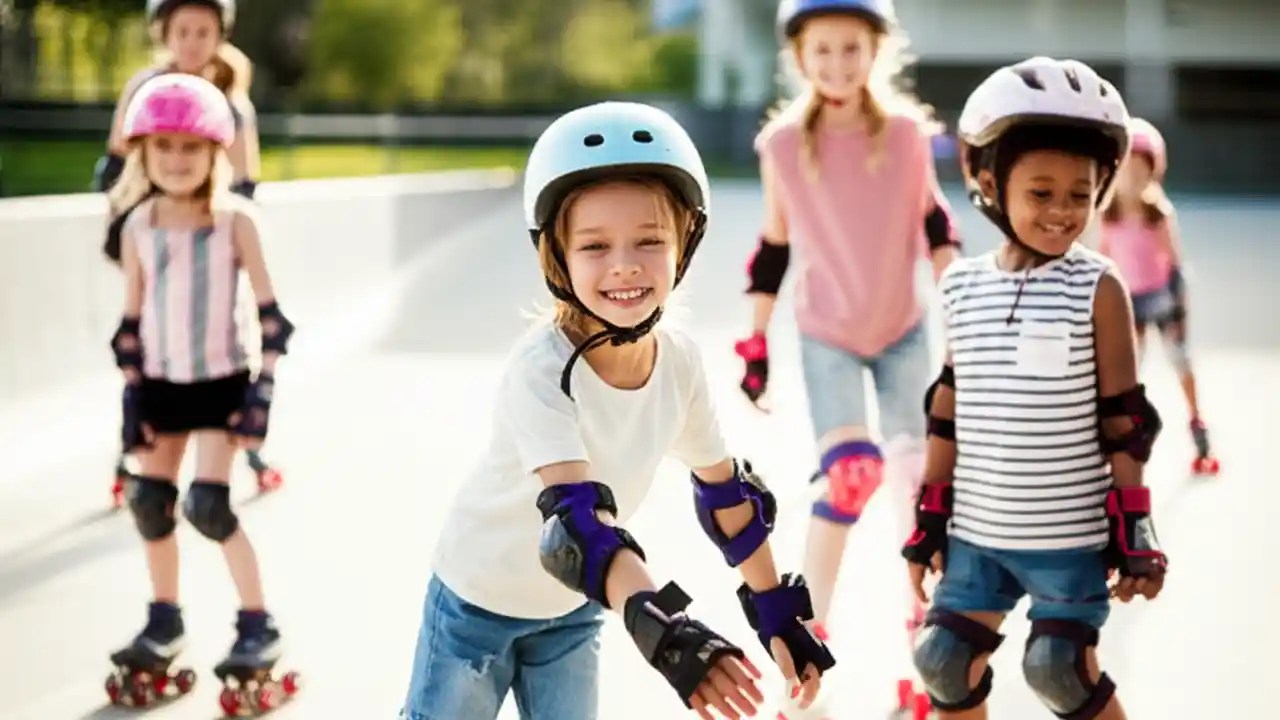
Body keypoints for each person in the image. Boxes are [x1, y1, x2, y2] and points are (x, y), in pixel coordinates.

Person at [399, 101, 835, 720]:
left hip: (573, 611)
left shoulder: (679, 363)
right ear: (558, 256)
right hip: (477, 599)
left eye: (649, 241)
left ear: (685, 244)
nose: (624, 264)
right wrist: (667, 630)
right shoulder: (542, 371)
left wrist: (774, 612)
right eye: (595, 246)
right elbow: (576, 528)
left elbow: (727, 499)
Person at [902, 56, 1169, 720]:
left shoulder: (1099, 286)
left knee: (1059, 671)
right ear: (989, 183)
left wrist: (1135, 524)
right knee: (942, 660)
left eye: (1080, 195)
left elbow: (1124, 418)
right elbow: (947, 410)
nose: (1062, 212)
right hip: (976, 536)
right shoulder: (961, 286)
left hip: (1067, 538)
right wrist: (929, 514)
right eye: (1041, 193)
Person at [738, 1, 961, 716]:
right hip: (827, 329)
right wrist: (755, 341)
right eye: (823, 50)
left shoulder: (904, 134)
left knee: (910, 488)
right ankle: (808, 651)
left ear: (877, 51)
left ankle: (923, 659)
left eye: (852, 49)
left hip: (903, 328)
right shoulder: (781, 145)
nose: (837, 64)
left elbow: (936, 222)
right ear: (800, 57)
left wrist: (962, 310)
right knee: (850, 477)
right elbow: (773, 246)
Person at [103, 72, 298, 713]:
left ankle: (256, 624)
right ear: (144, 153)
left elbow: (272, 320)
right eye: (164, 148)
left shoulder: (236, 220)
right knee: (150, 501)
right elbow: (130, 325)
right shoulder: (137, 225)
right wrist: (133, 401)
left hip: (221, 385)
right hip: (160, 385)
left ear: (216, 152)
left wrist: (261, 394)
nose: (178, 161)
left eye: (191, 149)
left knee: (210, 506)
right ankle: (165, 620)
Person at [102, 0, 279, 506]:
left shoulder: (233, 100)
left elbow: (246, 180)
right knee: (149, 339)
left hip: (212, 234)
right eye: (183, 31)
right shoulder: (142, 87)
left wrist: (230, 233)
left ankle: (240, 446)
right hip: (150, 233)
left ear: (219, 35)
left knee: (221, 335)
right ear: (164, 33)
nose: (193, 42)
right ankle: (131, 447)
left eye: (204, 32)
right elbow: (115, 166)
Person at [1098, 117, 1218, 475]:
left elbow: (1176, 264)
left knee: (1180, 360)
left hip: (1162, 298)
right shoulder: (1109, 214)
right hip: (1129, 303)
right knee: (1127, 372)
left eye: (1141, 169)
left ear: (1154, 172)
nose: (1133, 178)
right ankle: (1125, 433)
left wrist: (1180, 310)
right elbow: (1103, 263)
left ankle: (1198, 427)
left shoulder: (1158, 213)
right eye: (1127, 170)